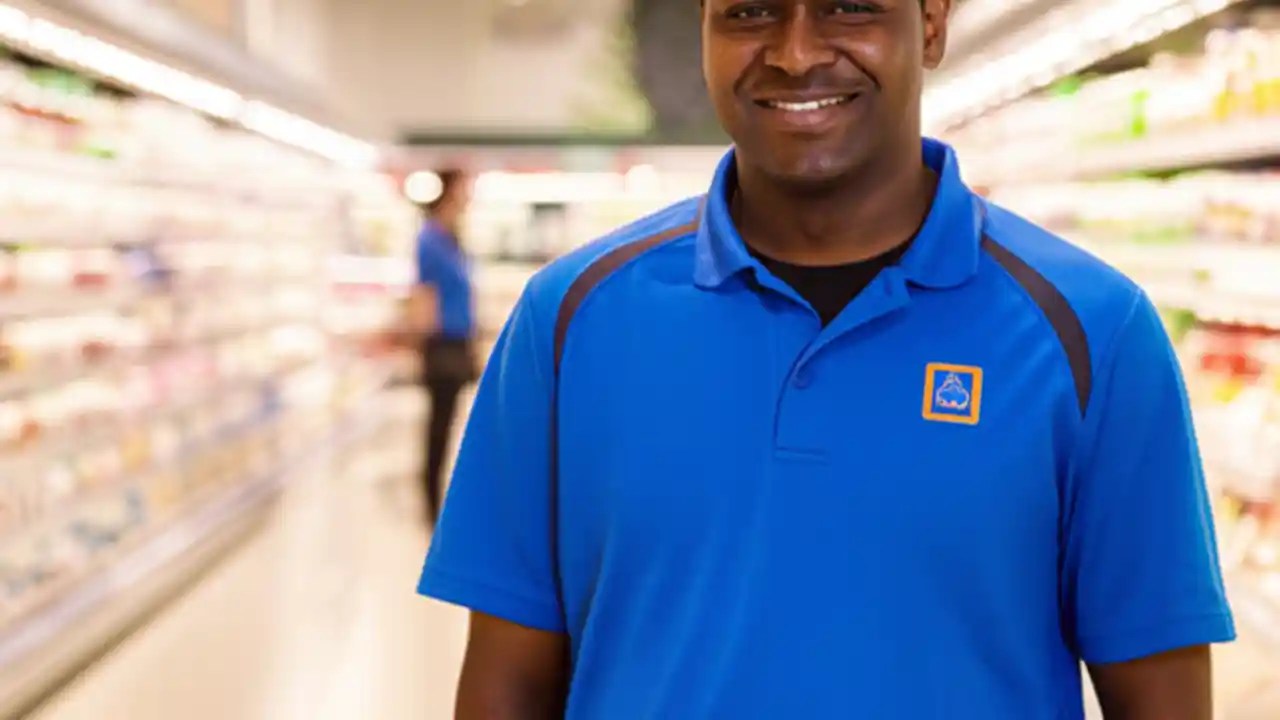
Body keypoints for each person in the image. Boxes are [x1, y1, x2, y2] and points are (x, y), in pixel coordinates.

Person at [418, 2, 1236, 717]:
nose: (796, 52)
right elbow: (506, 681)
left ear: (932, 21)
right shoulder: (570, 320)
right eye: (750, 11)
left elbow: (1159, 696)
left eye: (849, 7)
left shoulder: (1093, 334)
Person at [410, 169, 477, 528]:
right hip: (442, 345)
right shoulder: (431, 239)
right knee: (438, 426)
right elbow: (424, 295)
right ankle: (431, 503)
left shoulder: (453, 238)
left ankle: (443, 501)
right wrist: (422, 345)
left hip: (459, 341)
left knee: (450, 424)